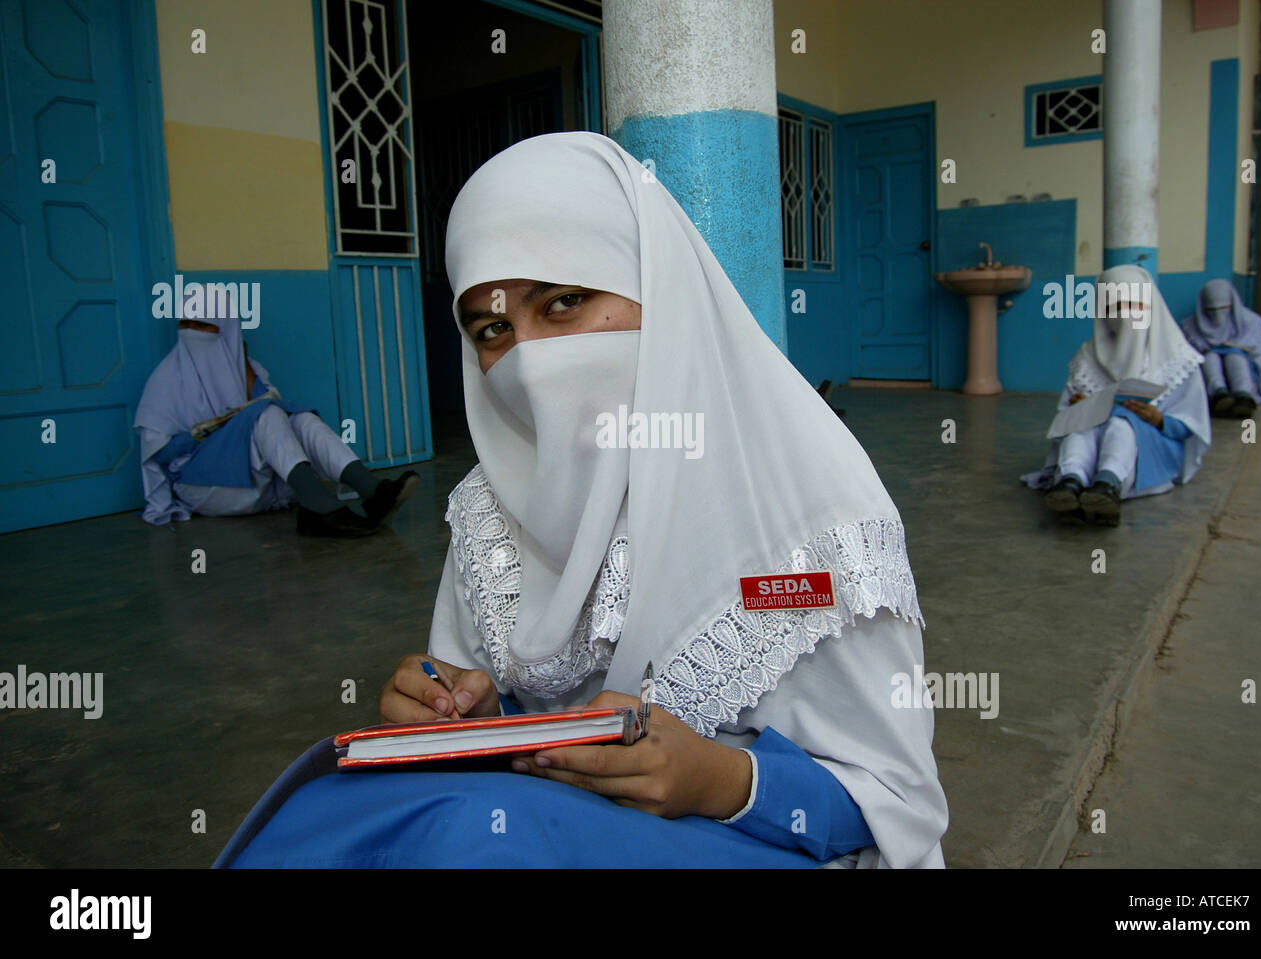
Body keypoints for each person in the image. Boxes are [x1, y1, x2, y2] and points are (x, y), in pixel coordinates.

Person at [214, 132, 947, 869]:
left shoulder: (814, 512)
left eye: (564, 301)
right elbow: (493, 718)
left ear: (652, 282)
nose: (531, 361)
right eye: (494, 329)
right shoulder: (489, 509)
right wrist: (460, 712)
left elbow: (897, 804)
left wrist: (718, 779)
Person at [134, 315, 417, 537]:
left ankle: (371, 490)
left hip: (257, 484)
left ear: (227, 331)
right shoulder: (166, 378)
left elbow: (271, 415)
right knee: (266, 414)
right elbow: (159, 453)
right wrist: (209, 435)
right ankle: (319, 506)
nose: (191, 332)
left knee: (298, 417)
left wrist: (241, 365)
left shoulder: (248, 368)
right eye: (185, 324)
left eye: (203, 325)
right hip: (204, 487)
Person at [1021, 265, 1210, 527]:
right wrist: (1076, 409)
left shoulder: (1176, 358)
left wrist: (1159, 419)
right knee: (1081, 427)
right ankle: (1071, 481)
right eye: (1113, 308)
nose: (1123, 316)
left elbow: (1192, 424)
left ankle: (1109, 484)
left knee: (1122, 425)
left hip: (1147, 450)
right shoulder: (1088, 356)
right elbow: (1063, 418)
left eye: (1133, 306)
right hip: (1091, 440)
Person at [1181, 278, 1261, 418]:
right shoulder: (1192, 327)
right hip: (1208, 380)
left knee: (1235, 357)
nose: (1218, 314)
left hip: (1247, 376)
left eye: (1224, 308)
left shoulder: (1252, 324)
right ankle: (1219, 395)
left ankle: (1244, 396)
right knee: (1210, 357)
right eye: (1212, 309)